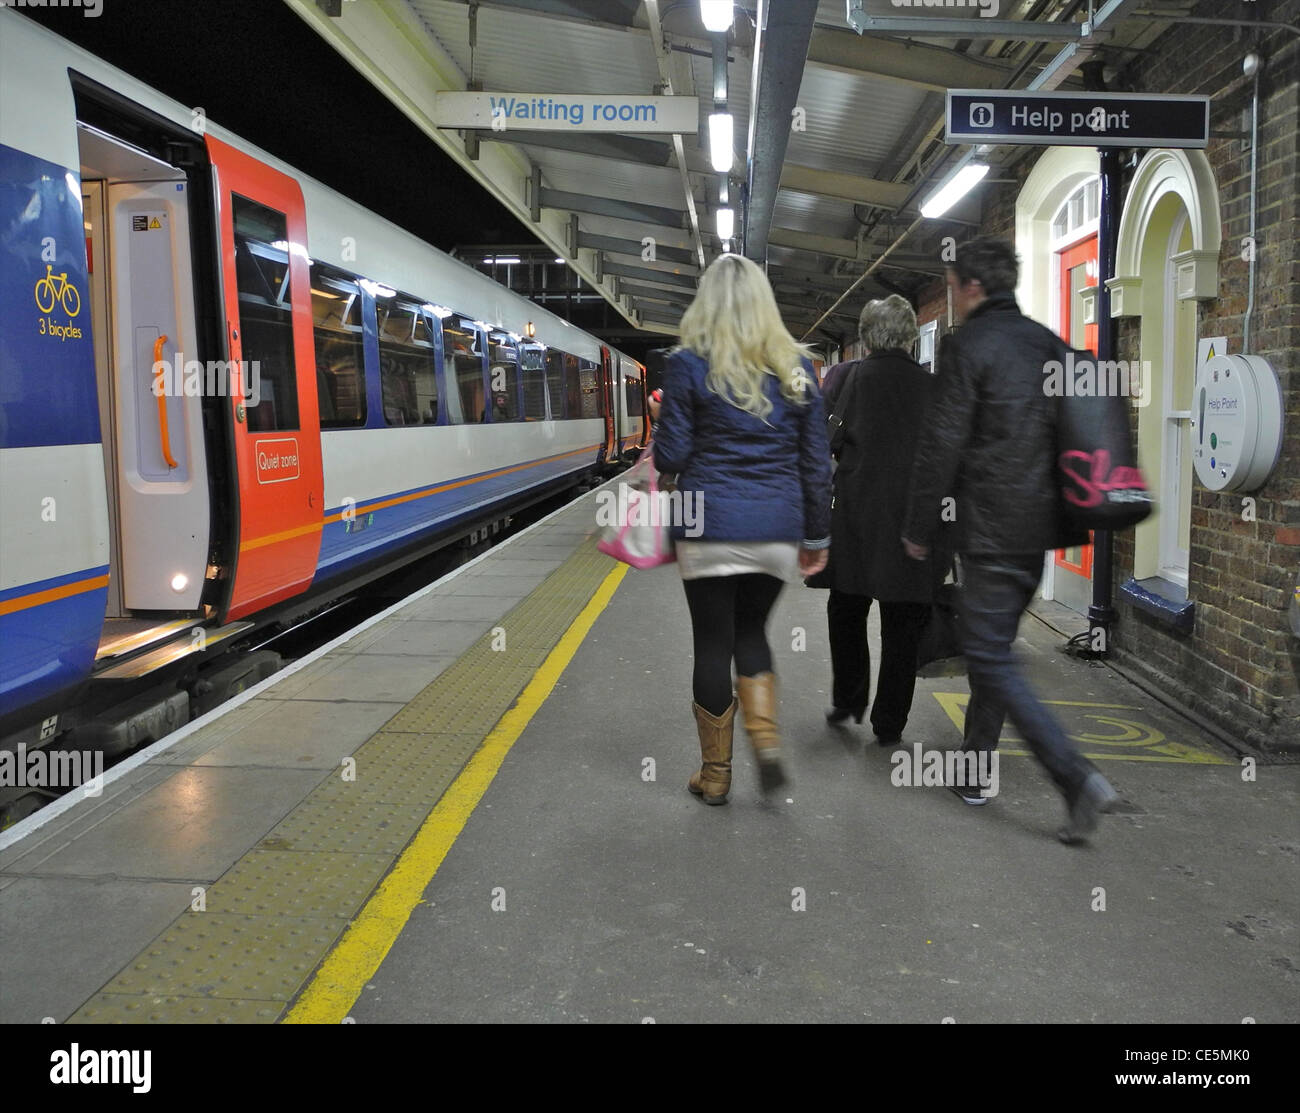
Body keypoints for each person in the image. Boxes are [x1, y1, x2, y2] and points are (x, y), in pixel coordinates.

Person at [902, 237, 1118, 844]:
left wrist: (919, 528)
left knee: (992, 655)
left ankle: (1076, 779)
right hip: (1041, 531)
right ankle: (975, 769)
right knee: (992, 648)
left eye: (953, 285)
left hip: (991, 530)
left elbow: (941, 443)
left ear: (970, 287)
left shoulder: (967, 345)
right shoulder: (1047, 343)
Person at [653, 253, 832, 805]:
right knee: (752, 633)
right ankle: (766, 740)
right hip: (777, 524)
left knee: (712, 642)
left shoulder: (687, 363)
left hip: (705, 520)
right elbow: (815, 460)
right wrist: (818, 536)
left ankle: (715, 775)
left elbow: (673, 454)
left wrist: (666, 429)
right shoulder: (797, 364)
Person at [813, 295, 938, 745]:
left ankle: (849, 699)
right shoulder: (932, 387)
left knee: (845, 610)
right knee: (903, 625)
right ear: (910, 336)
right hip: (915, 524)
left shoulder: (845, 377)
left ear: (865, 338)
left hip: (854, 518)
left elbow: (817, 441)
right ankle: (890, 724)